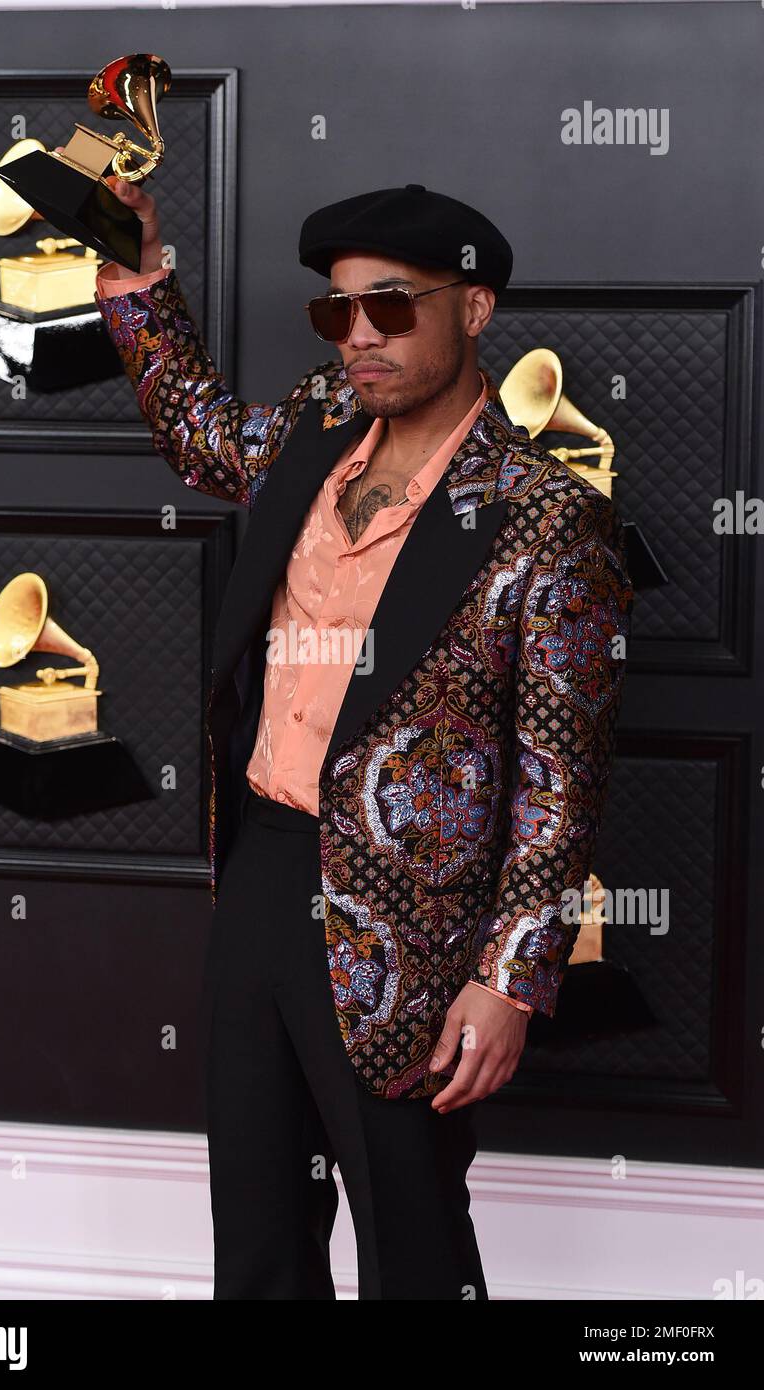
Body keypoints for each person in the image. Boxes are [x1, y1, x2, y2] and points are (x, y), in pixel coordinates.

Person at [88, 167, 633, 1299]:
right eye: (338, 311)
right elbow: (197, 432)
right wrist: (139, 275)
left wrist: (510, 979)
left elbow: (560, 781)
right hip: (262, 871)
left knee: (411, 1236)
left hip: (414, 929)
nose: (360, 336)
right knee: (259, 1220)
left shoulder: (548, 517)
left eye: (393, 305)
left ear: (473, 309)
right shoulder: (312, 430)